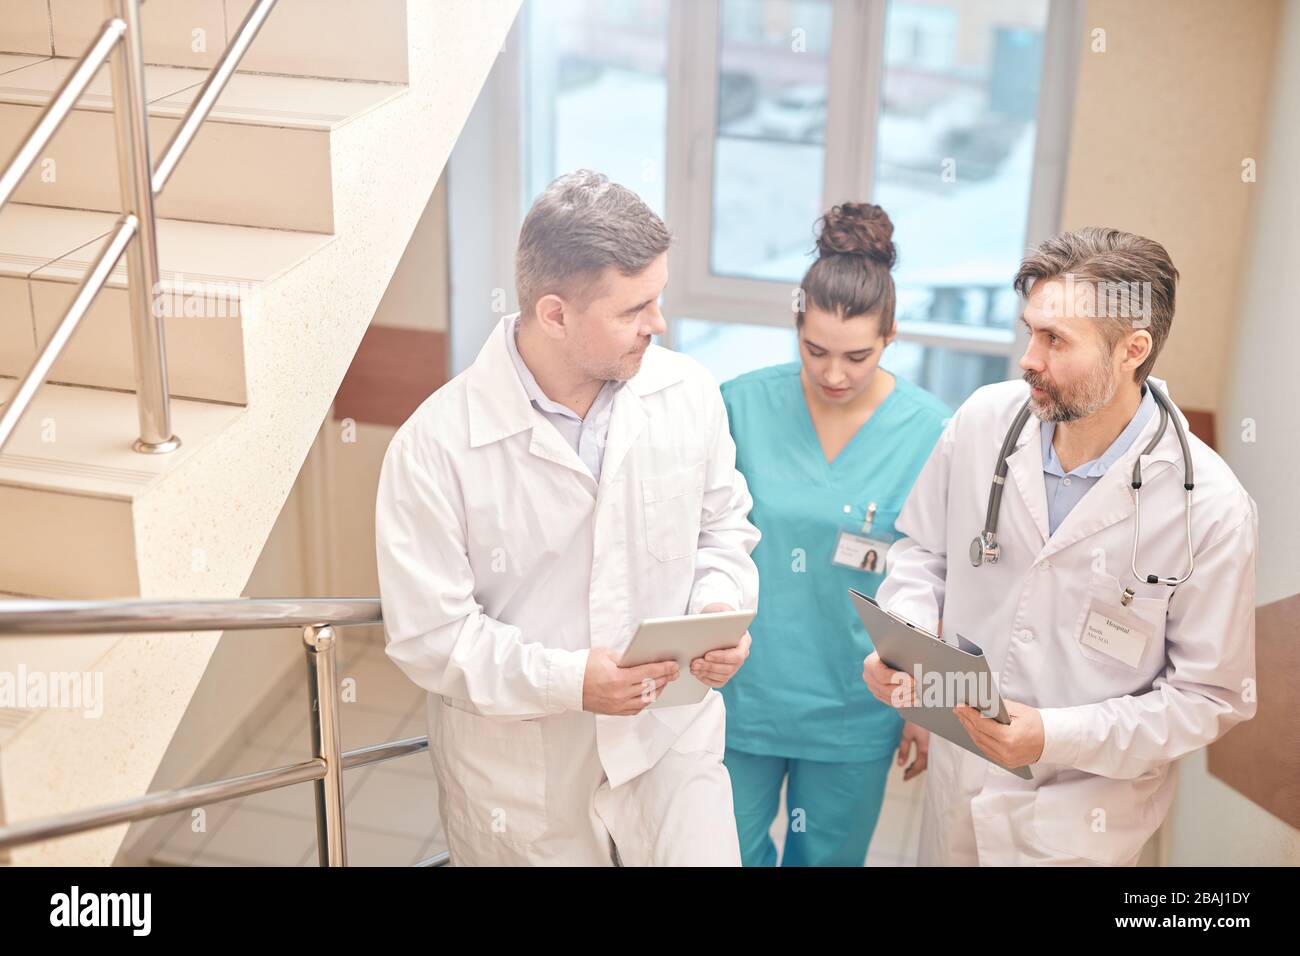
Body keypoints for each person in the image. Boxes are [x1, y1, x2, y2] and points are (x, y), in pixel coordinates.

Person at [374, 170, 760, 866]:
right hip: (523, 775)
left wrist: (720, 606)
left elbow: (724, 528)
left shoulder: (688, 391)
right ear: (554, 315)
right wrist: (570, 680)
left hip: (669, 743)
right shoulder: (433, 448)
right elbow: (432, 637)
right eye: (634, 309)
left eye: (660, 299)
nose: (660, 324)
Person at [864, 227, 1258, 866]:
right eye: (1030, 331)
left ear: (1132, 350)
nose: (1028, 358)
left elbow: (1208, 698)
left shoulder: (1209, 508)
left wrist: (1053, 736)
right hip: (962, 780)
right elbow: (923, 551)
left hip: (1083, 819)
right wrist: (907, 646)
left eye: (1055, 340)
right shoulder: (983, 422)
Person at [718, 203, 950, 866]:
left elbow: (943, 576)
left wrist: (927, 703)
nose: (835, 374)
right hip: (744, 693)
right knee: (720, 852)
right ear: (796, 326)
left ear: (892, 335)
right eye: (815, 350)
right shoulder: (737, 405)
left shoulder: (933, 432)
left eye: (858, 354)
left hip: (858, 703)